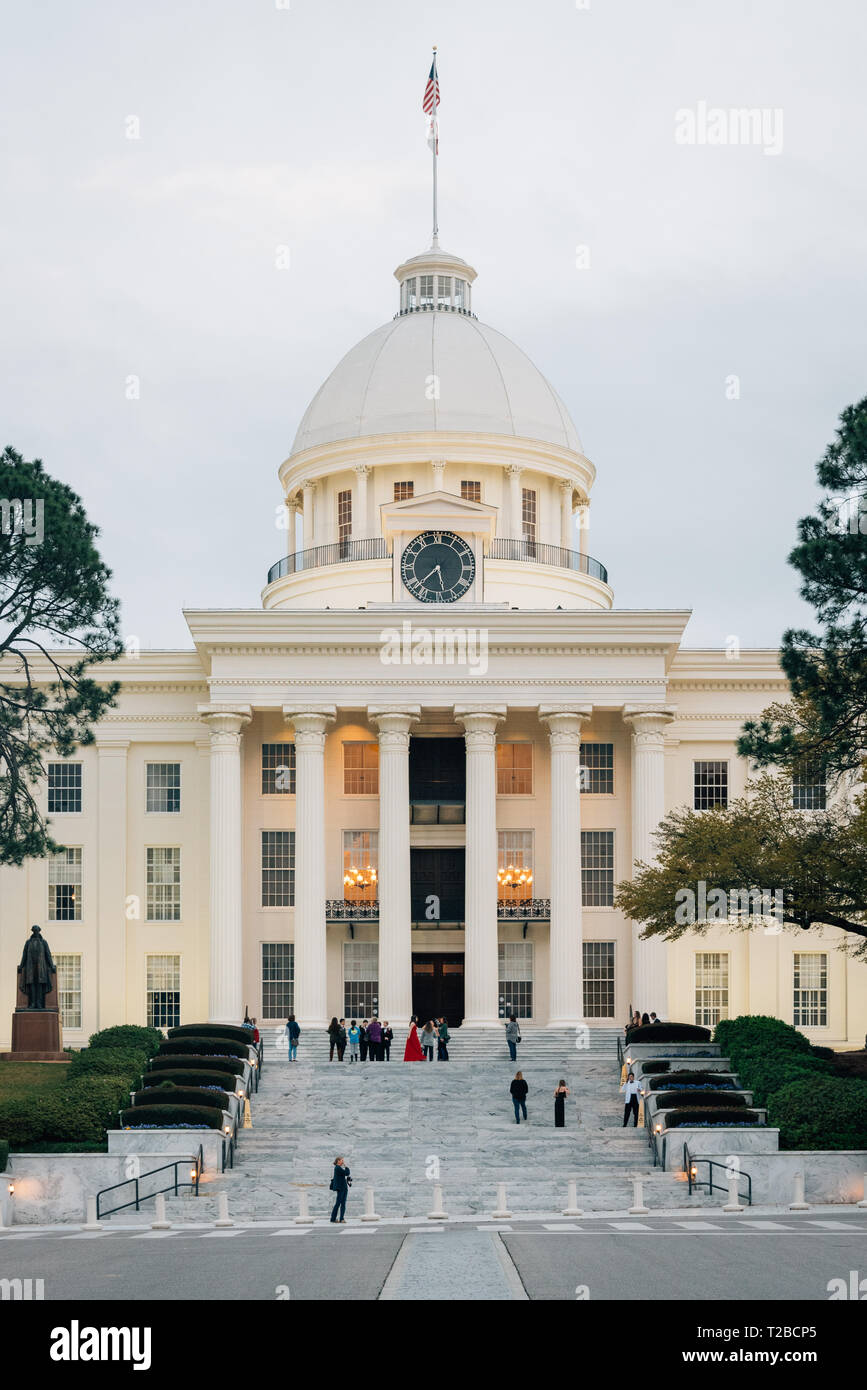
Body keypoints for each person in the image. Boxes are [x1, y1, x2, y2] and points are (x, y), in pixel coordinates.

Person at [329, 1157, 351, 1223]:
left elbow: (345, 1174)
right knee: (339, 1203)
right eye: (342, 1160)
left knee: (342, 1203)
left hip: (343, 1188)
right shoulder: (337, 1168)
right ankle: (334, 1218)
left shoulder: (338, 1168)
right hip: (341, 1188)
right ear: (338, 1161)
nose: (343, 1162)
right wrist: (346, 1166)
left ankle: (341, 1218)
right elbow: (347, 1173)